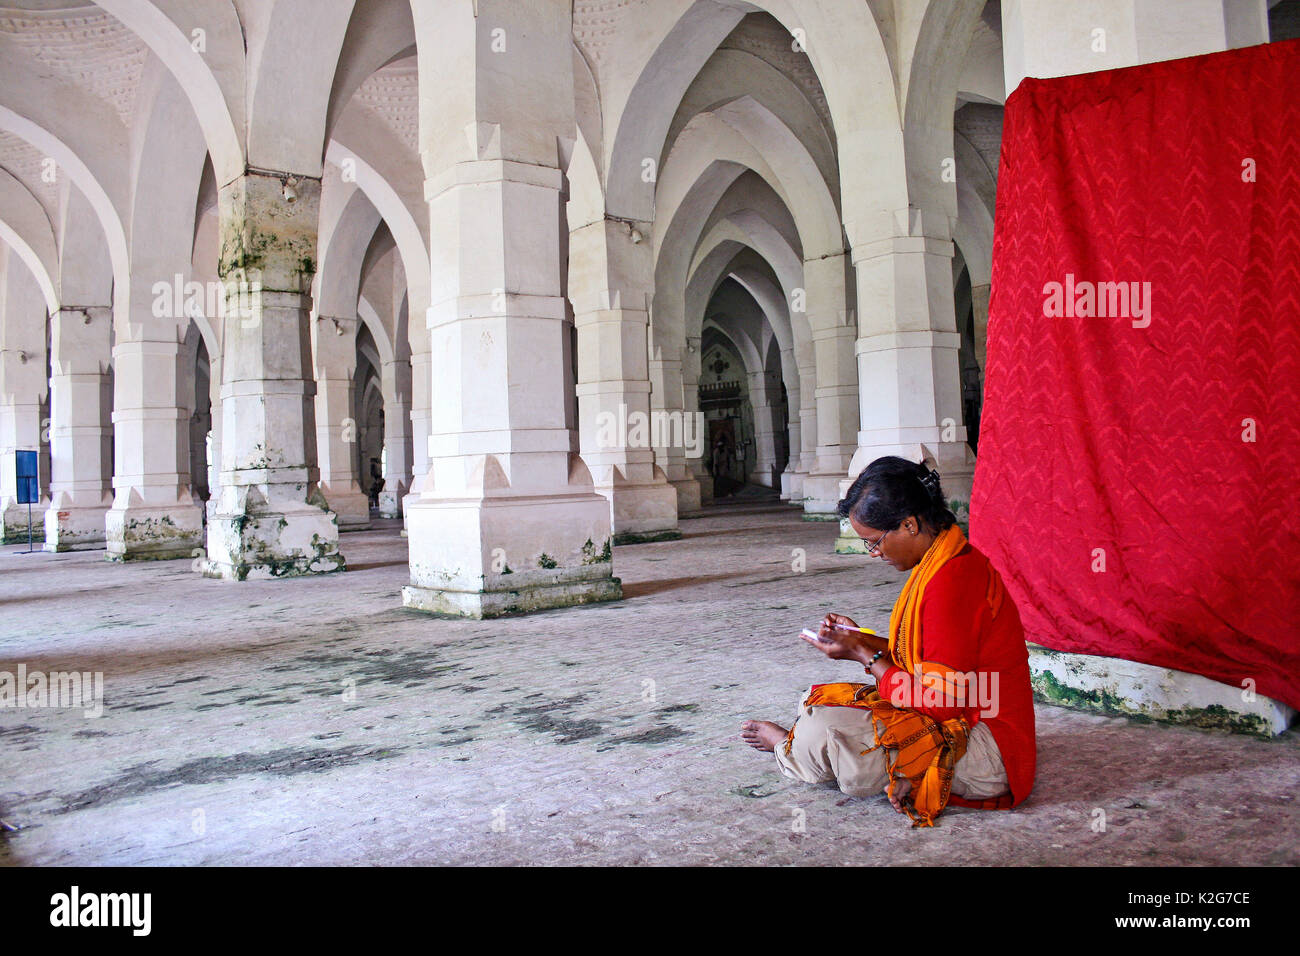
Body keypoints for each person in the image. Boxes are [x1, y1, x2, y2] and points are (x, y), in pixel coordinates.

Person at [741, 456, 1036, 826]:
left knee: (822, 732)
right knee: (814, 702)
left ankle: (790, 751)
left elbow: (940, 705)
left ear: (909, 524)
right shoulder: (948, 558)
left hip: (986, 747)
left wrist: (865, 654)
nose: (874, 553)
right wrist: (860, 639)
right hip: (969, 711)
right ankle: (878, 764)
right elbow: (929, 651)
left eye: (874, 541)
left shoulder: (951, 583)